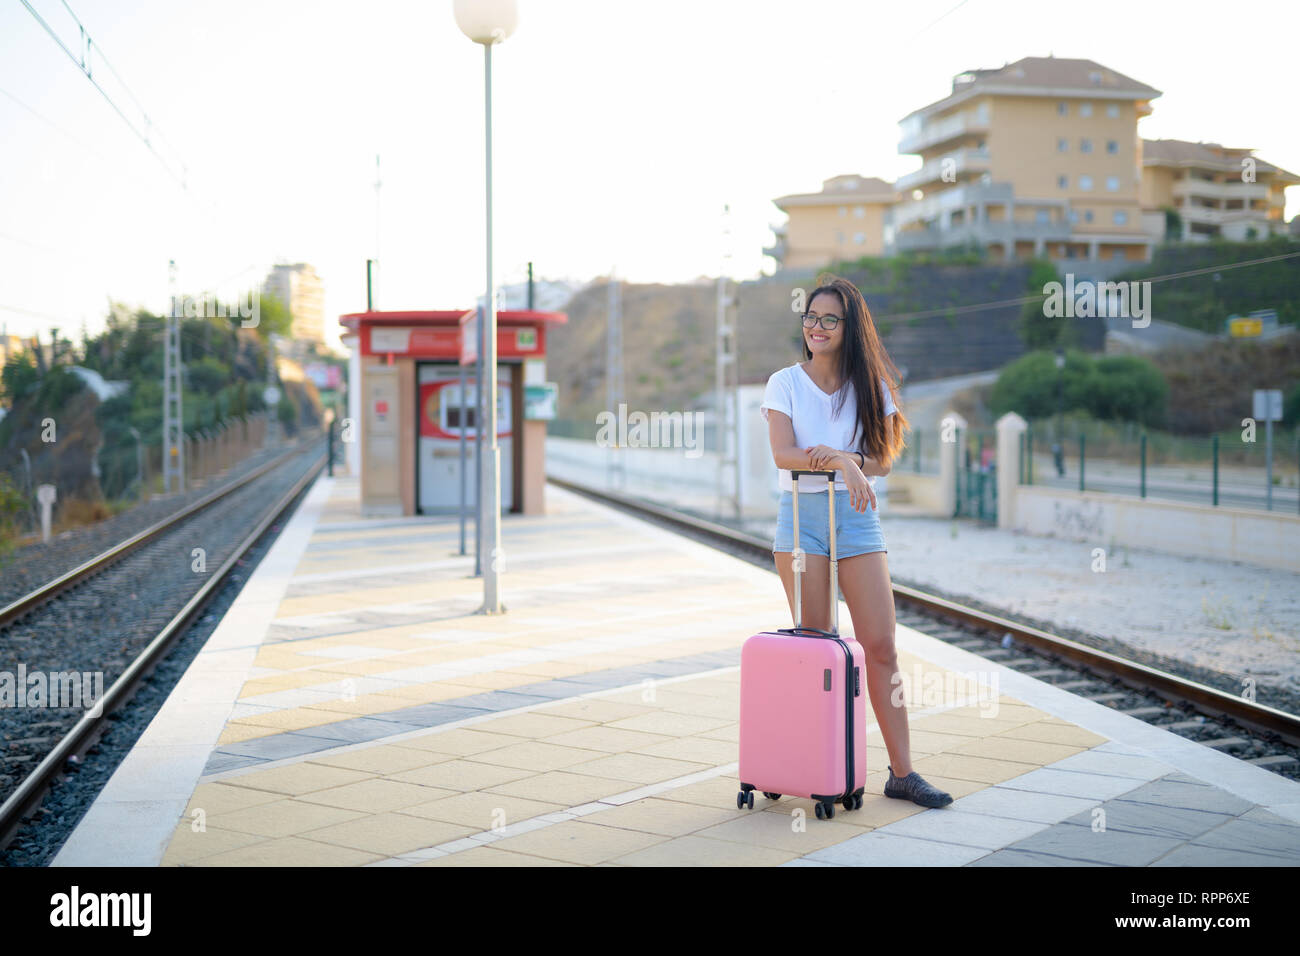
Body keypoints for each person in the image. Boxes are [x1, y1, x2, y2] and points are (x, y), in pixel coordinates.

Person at [760, 274, 953, 809]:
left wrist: (851, 463)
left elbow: (885, 462)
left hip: (857, 518)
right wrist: (844, 459)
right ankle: (817, 766)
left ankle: (903, 773)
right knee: (819, 651)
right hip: (801, 517)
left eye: (829, 319)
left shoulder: (873, 386)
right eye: (810, 317)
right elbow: (784, 454)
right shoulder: (785, 383)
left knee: (881, 646)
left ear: (850, 328)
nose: (816, 327)